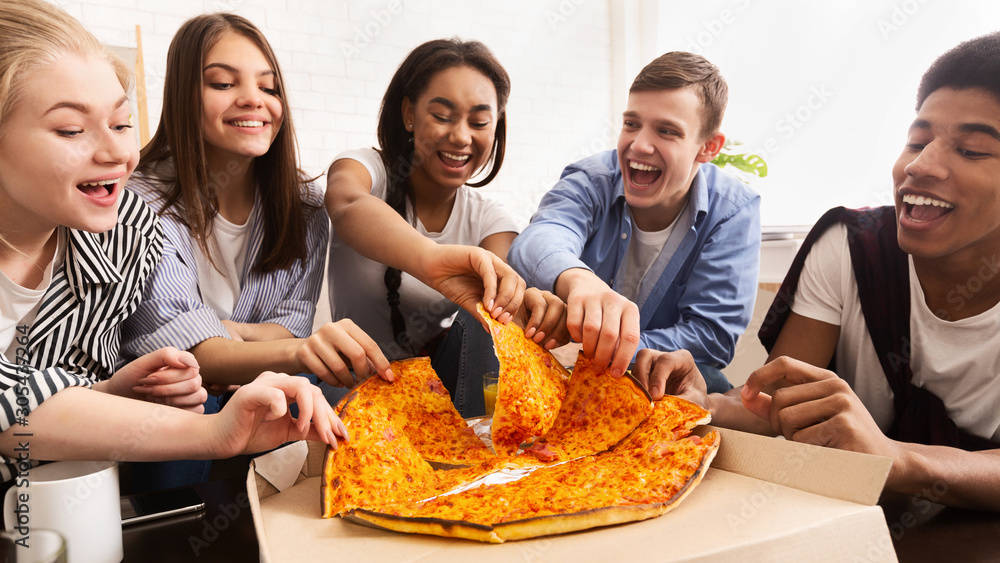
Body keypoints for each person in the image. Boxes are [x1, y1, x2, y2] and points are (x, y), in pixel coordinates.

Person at [643, 33, 1000, 511]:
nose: (921, 164)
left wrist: (897, 459)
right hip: (857, 525)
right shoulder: (851, 248)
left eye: (972, 150)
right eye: (917, 140)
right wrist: (703, 404)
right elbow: (778, 413)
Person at [0, 0, 345, 485]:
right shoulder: (138, 207)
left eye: (122, 124)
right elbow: (12, 403)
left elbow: (43, 397)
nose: (120, 153)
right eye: (71, 129)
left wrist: (114, 391)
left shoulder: (120, 231)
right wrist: (216, 428)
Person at [123, 13, 393, 391]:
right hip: (168, 409)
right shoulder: (135, 201)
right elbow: (182, 348)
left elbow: (290, 324)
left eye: (269, 88)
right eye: (223, 83)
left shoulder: (305, 207)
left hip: (268, 396)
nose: (253, 99)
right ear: (183, 94)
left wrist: (234, 341)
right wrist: (284, 350)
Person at [325, 38, 566, 417]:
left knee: (489, 311)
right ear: (408, 113)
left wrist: (531, 306)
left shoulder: (490, 217)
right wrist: (432, 260)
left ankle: (476, 443)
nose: (461, 136)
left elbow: (507, 286)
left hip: (447, 402)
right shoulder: (365, 169)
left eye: (479, 121)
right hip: (352, 386)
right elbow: (346, 203)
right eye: (442, 116)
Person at [508, 51, 761, 391]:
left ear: (708, 148)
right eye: (631, 124)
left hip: (648, 374)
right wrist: (580, 281)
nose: (639, 145)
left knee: (711, 380)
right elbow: (537, 240)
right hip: (562, 369)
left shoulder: (733, 210)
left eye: (667, 131)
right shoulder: (592, 178)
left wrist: (607, 350)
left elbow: (712, 337)